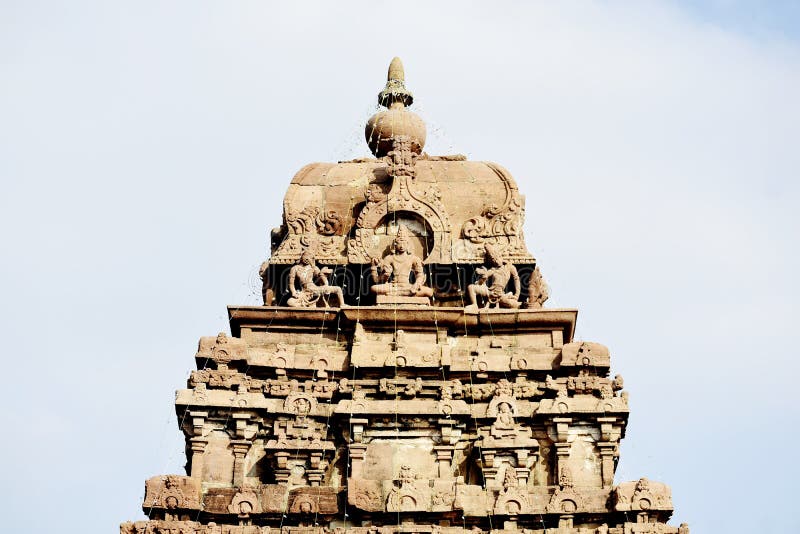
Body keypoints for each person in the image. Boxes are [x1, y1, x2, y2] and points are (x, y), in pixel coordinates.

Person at [370, 225, 433, 297]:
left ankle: (396, 294)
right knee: (373, 288)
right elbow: (377, 280)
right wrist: (382, 274)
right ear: (395, 244)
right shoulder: (389, 258)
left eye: (404, 243)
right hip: (393, 286)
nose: (402, 246)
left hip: (407, 286)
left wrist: (416, 284)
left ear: (408, 244)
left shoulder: (414, 259)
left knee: (429, 291)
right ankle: (405, 294)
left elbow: (420, 275)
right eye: (399, 243)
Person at [466, 244, 521, 310]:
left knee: (514, 305)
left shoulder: (510, 267)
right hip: (489, 292)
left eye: (497, 258)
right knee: (471, 287)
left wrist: (517, 295)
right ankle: (474, 304)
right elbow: (482, 281)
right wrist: (483, 278)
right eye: (493, 260)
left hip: (501, 295)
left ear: (501, 257)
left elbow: (516, 279)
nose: (496, 261)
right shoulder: (493, 269)